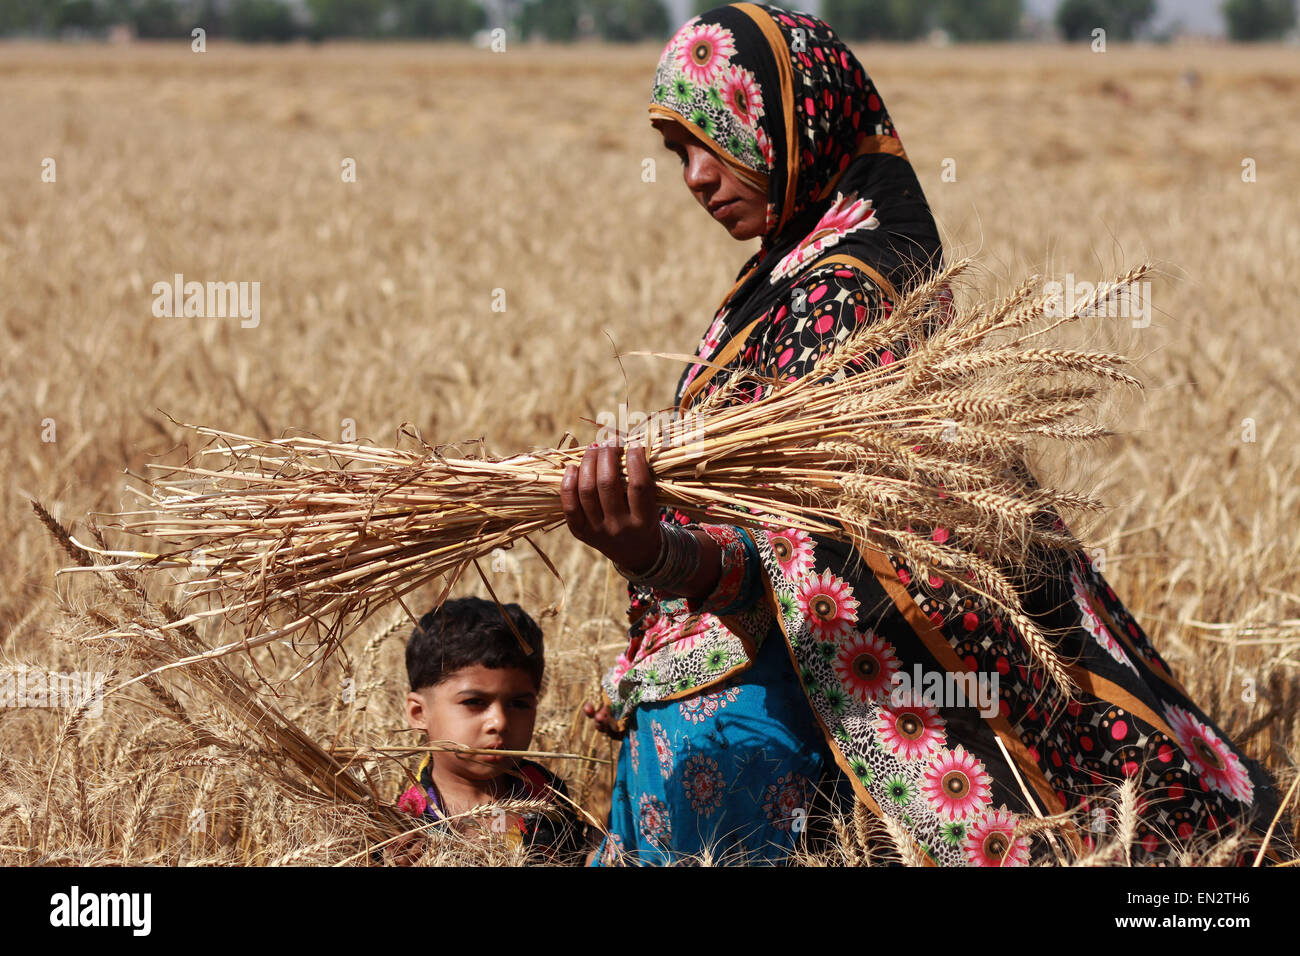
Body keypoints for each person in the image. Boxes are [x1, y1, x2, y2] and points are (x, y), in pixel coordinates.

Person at [565, 3, 1291, 866]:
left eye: (714, 139)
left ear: (800, 127)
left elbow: (820, 548)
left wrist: (656, 554)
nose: (691, 175)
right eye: (676, 152)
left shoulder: (851, 298)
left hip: (802, 687)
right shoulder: (790, 276)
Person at [393, 597, 589, 865]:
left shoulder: (545, 790)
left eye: (519, 704)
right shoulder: (406, 827)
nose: (500, 722)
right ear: (419, 713)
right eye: (474, 702)